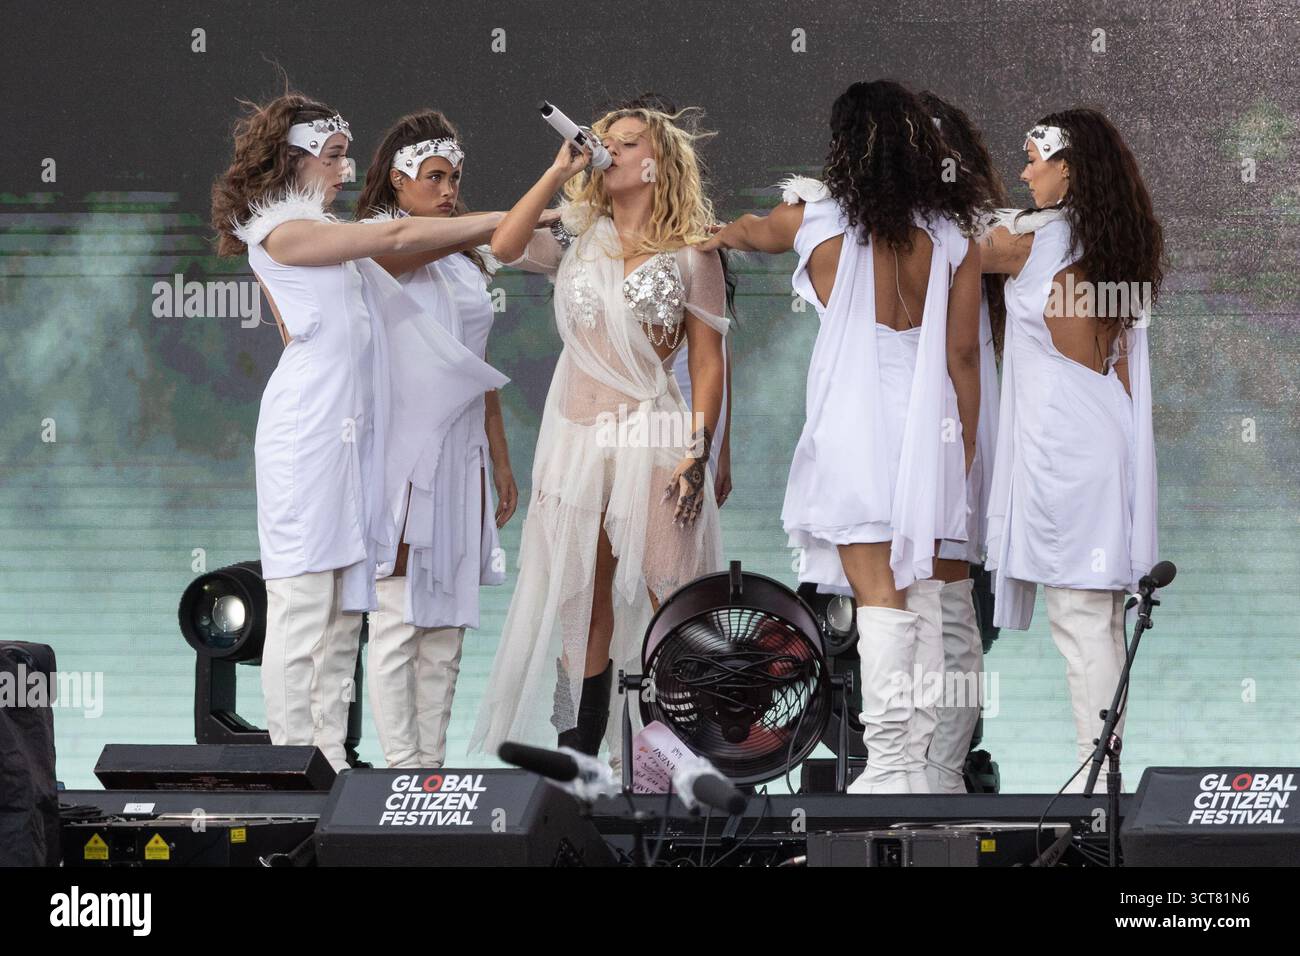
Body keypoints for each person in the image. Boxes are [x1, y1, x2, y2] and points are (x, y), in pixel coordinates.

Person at [699, 80, 982, 793]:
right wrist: (968, 445)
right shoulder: (953, 236)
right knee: (929, 596)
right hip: (932, 421)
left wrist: (718, 233)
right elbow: (963, 356)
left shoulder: (815, 218)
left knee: (878, 592)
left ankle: (889, 764)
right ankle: (931, 769)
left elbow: (748, 230)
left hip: (857, 420)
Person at [211, 91, 506, 770]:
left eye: (346, 157)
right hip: (308, 430)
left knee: (346, 606)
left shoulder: (324, 234)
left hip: (354, 434)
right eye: (334, 156)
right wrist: (507, 218)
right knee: (304, 601)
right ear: (295, 157)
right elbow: (397, 238)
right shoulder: (281, 232)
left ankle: (331, 761)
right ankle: (293, 765)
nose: (345, 171)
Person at [470, 104, 730, 758]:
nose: (610, 150)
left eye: (628, 142)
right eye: (604, 141)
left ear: (658, 162)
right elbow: (504, 245)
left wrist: (698, 454)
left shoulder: (692, 252)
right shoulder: (578, 235)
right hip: (576, 441)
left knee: (674, 597)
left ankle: (682, 758)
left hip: (652, 435)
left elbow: (707, 363)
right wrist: (559, 170)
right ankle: (576, 757)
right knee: (577, 604)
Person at [979, 109, 1162, 792]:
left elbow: (946, 246)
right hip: (1104, 430)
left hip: (1063, 442)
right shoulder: (1115, 238)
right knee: (1099, 619)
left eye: (1034, 159)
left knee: (1082, 618)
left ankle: (1096, 780)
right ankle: (1106, 773)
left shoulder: (1039, 239)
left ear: (1069, 167)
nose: (1025, 172)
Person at [350, 110, 531, 768]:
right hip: (403, 449)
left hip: (463, 449)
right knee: (398, 610)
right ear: (399, 180)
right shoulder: (375, 244)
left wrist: (499, 459)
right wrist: (488, 224)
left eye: (455, 177)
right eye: (435, 177)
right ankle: (400, 768)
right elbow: (404, 251)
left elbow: (473, 365)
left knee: (448, 618)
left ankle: (431, 772)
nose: (449, 189)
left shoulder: (464, 261)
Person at [916, 90, 1009, 793]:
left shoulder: (978, 228)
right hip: (910, 429)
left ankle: (946, 768)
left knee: (956, 601)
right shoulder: (880, 227)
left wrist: (968, 443)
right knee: (902, 607)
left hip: (960, 425)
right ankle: (912, 762)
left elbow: (967, 353)